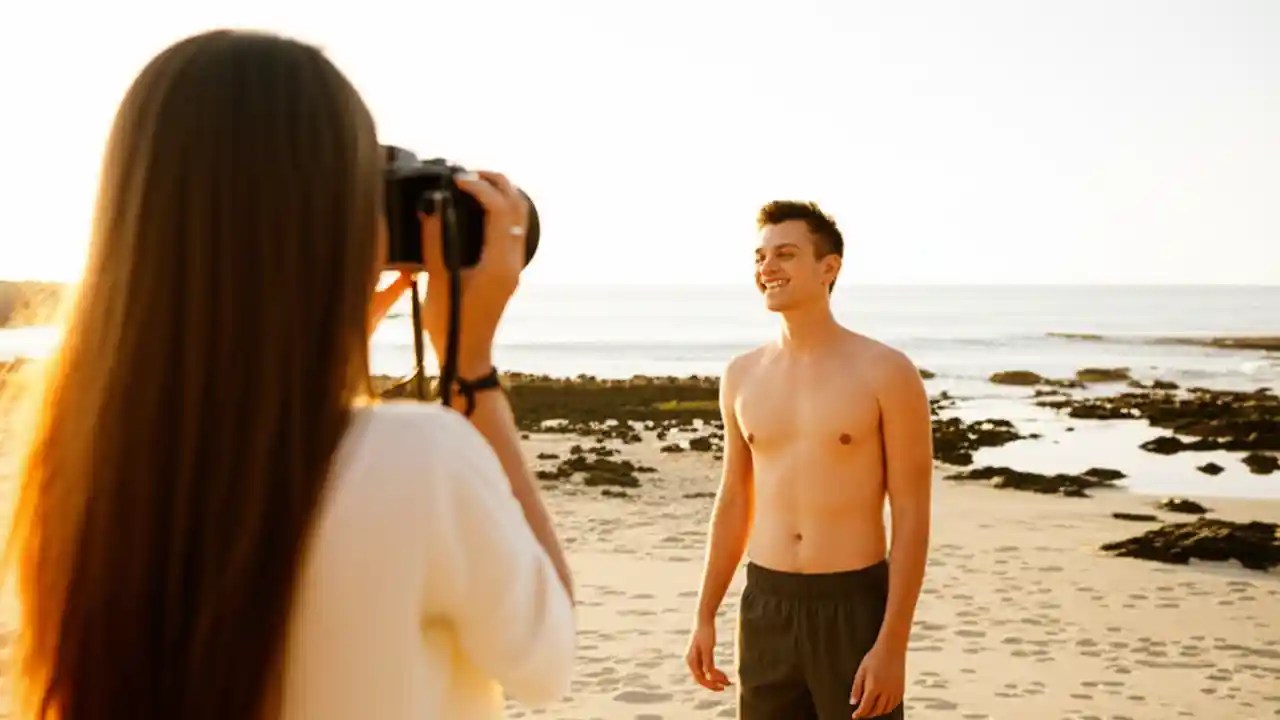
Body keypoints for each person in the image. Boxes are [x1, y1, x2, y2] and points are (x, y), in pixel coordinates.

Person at [1, 30, 574, 720]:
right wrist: (471, 369)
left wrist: (312, 348)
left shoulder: (72, 465)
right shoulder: (418, 459)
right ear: (333, 220)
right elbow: (547, 657)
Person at [684, 201, 933, 719]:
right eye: (760, 256)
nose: (767, 268)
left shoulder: (886, 371)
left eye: (785, 254)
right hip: (766, 603)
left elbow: (911, 515)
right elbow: (734, 498)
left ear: (829, 268)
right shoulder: (741, 375)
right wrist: (705, 614)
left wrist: (893, 644)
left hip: (854, 606)